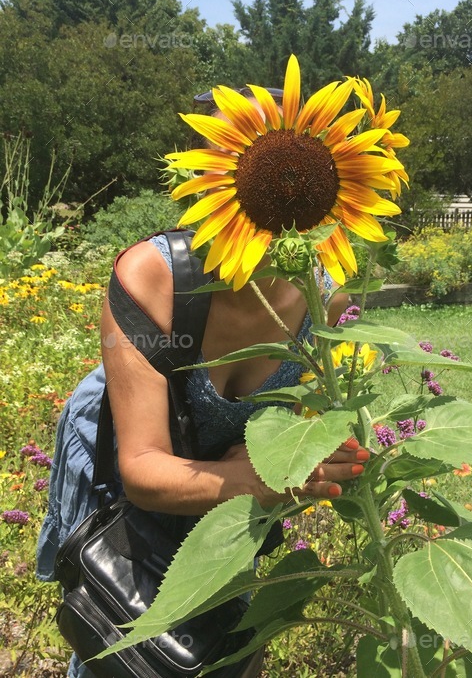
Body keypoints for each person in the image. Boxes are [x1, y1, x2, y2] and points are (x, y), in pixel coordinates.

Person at [37, 87, 370, 678]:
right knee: (118, 629)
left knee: (219, 643)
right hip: (126, 488)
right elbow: (141, 467)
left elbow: (300, 417)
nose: (286, 195)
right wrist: (266, 479)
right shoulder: (152, 278)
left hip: (229, 513)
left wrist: (310, 452)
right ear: (211, 184)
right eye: (267, 176)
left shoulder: (326, 293)